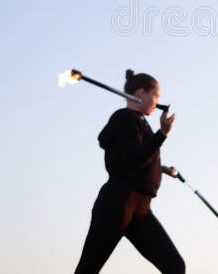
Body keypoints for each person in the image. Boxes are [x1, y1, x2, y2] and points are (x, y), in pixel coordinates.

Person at [75, 69, 185, 274]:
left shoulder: (138, 121)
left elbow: (139, 157)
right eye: (156, 96)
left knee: (175, 267)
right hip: (117, 205)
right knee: (88, 269)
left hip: (139, 210)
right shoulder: (125, 118)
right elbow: (132, 159)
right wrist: (162, 134)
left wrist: (160, 169)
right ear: (141, 93)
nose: (157, 101)